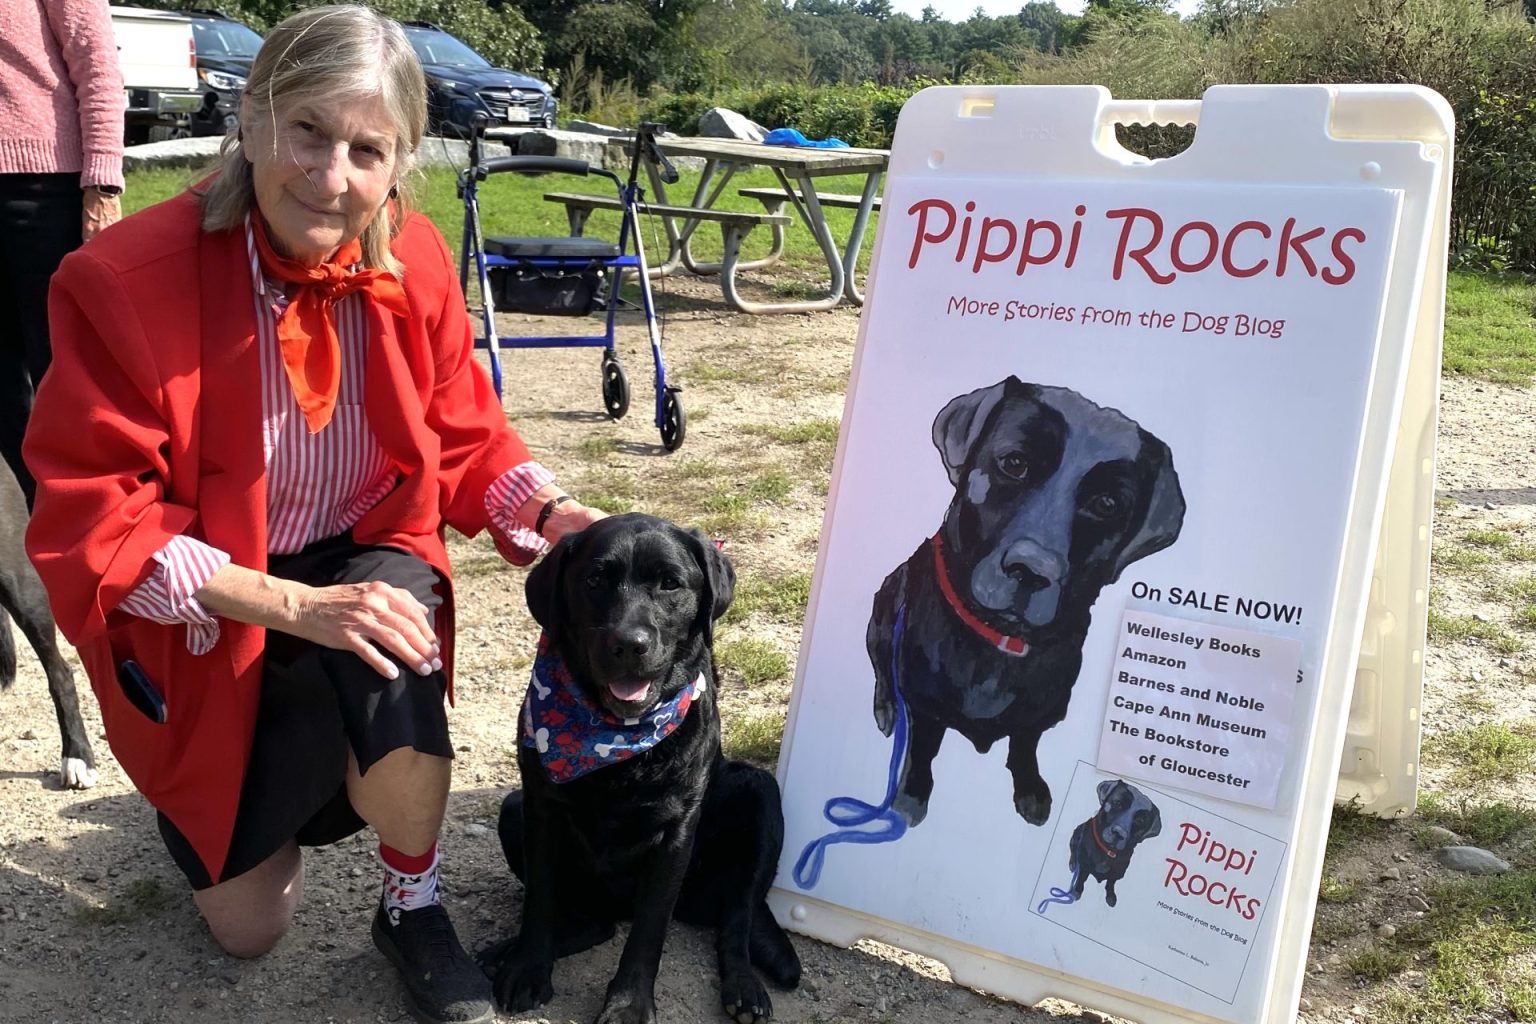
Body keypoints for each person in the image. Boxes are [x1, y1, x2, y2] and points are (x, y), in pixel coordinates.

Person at [22, 8, 604, 1024]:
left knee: (395, 634)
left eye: (367, 149)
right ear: (249, 122)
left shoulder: (412, 258)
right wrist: (296, 606)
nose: (333, 175)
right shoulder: (117, 283)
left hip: (363, 552)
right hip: (219, 595)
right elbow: (98, 527)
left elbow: (463, 432)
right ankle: (234, 789)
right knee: (253, 926)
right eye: (309, 133)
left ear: (401, 161)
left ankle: (411, 904)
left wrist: (548, 512)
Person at [0, 0, 125, 509]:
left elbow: (96, 64)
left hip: (44, 188)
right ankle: (41, 519)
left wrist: (102, 182)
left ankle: (96, 514)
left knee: (64, 367)